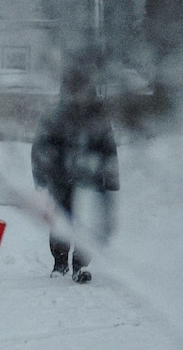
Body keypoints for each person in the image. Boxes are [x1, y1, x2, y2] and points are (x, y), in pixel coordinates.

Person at [31, 58, 119, 282]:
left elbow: (108, 148)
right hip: (61, 178)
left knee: (86, 222)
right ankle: (60, 263)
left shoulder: (98, 118)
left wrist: (109, 179)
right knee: (61, 220)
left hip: (90, 178)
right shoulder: (55, 116)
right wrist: (42, 177)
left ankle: (80, 265)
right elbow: (41, 147)